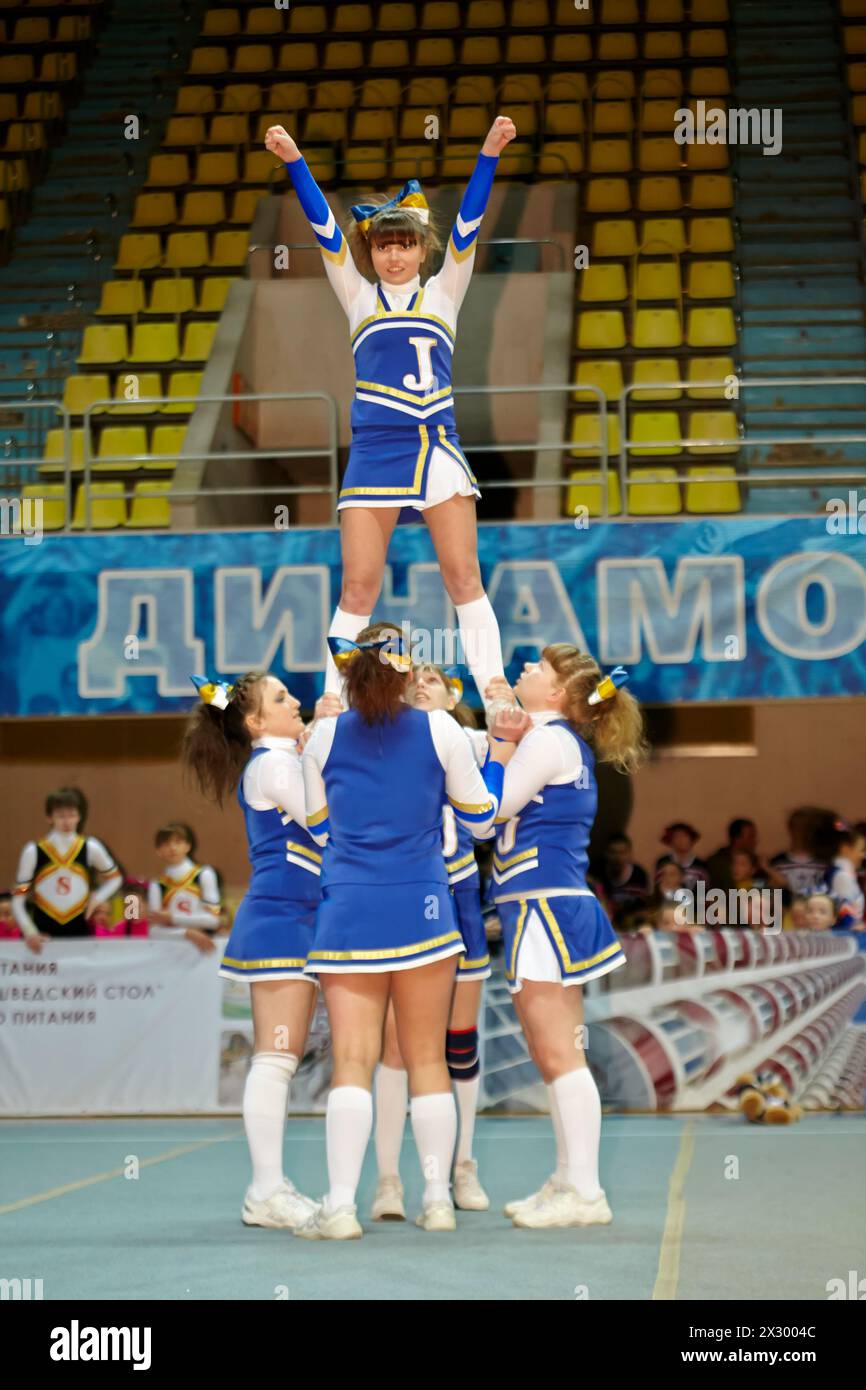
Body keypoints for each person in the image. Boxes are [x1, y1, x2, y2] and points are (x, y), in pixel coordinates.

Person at [264, 116, 517, 711]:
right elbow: (324, 227)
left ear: (421, 249)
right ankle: (331, 697)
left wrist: (489, 153)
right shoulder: (356, 296)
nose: (394, 256)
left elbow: (470, 224)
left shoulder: (446, 291)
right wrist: (295, 161)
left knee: (463, 578)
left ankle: (495, 687)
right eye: (383, 245)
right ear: (371, 251)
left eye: (404, 245)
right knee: (357, 585)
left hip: (436, 446)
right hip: (376, 449)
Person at [297, 623, 513, 1239]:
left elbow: (317, 831)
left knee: (354, 1063)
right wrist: (496, 759)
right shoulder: (442, 728)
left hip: (347, 912)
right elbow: (480, 821)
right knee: (427, 1060)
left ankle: (340, 1206)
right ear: (406, 668)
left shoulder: (324, 736)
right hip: (423, 906)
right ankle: (437, 1200)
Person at [483, 649, 647, 1229]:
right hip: (542, 905)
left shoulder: (546, 742)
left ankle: (585, 1189)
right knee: (554, 1056)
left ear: (557, 695)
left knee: (559, 1056)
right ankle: (567, 1178)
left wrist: (498, 750)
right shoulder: (551, 738)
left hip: (546, 908)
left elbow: (488, 812)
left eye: (539, 668)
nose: (525, 665)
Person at [181, 671, 336, 1230]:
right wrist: (324, 742)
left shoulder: (282, 759)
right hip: (281, 919)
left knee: (281, 1059)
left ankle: (269, 1187)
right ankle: (265, 1191)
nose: (295, 699)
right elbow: (326, 828)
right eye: (280, 698)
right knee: (274, 1059)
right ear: (255, 722)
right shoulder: (273, 763)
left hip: (300, 915)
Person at [371, 663, 493, 1221]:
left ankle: (461, 1165)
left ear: (452, 696)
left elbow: (517, 738)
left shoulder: (467, 739)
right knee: (397, 1049)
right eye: (412, 678)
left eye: (435, 679)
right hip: (400, 894)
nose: (422, 684)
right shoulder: (379, 736)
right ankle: (390, 1180)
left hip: (458, 893)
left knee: (459, 1043)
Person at [12, 787, 122, 952]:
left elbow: (116, 878)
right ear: (49, 818)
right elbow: (18, 899)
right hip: (43, 932)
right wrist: (29, 931)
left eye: (71, 815)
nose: (67, 821)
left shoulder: (91, 847)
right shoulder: (33, 851)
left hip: (79, 930)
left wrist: (98, 898)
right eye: (61, 816)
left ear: (79, 816)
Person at [147, 822, 221, 953]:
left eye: (178, 842)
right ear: (158, 851)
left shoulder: (204, 874)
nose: (172, 848)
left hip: (203, 949)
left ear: (188, 846)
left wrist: (172, 918)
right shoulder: (156, 885)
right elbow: (153, 931)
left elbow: (214, 920)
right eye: (166, 844)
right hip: (170, 952)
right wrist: (187, 933)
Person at [770, 807, 830, 898]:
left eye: (806, 829)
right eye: (798, 828)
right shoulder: (777, 862)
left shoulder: (824, 862)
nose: (802, 834)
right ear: (791, 829)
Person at [591, 832, 649, 914]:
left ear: (629, 854)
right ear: (606, 853)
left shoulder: (639, 875)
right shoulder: (596, 871)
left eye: (622, 853)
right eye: (613, 852)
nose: (617, 857)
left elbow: (642, 909)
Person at [825, 824, 865, 929]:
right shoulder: (842, 876)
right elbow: (845, 915)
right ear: (845, 849)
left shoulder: (844, 874)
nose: (863, 856)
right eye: (861, 850)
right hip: (843, 937)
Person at [705, 818, 759, 892]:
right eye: (750, 836)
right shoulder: (716, 863)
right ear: (737, 839)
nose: (755, 841)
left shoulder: (756, 861)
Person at [656, 823, 711, 894]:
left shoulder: (700, 865)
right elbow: (658, 891)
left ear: (691, 839)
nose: (681, 840)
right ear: (670, 841)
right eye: (677, 837)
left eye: (685, 836)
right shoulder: (663, 862)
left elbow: (703, 893)